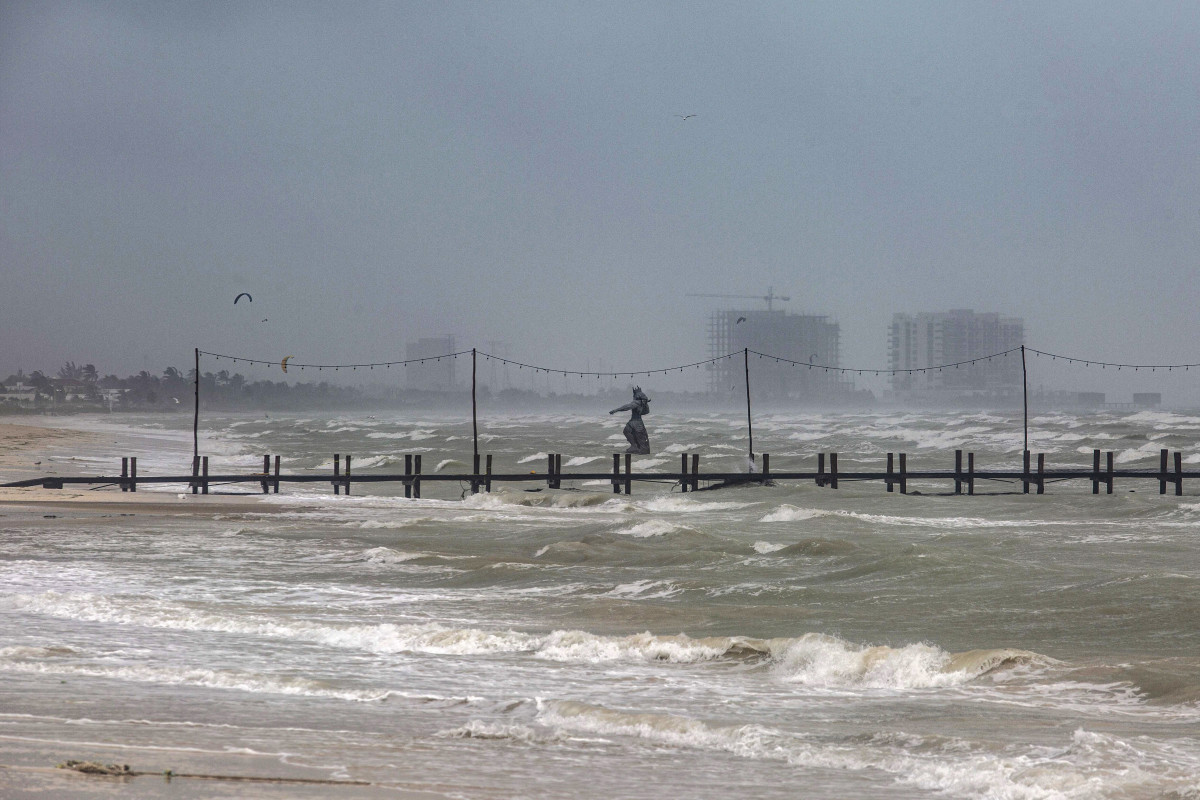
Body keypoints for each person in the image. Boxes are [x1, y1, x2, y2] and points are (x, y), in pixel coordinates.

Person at [609, 386, 651, 454]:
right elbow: (646, 412)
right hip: (635, 421)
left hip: (635, 422)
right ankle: (635, 446)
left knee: (638, 437)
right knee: (627, 431)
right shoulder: (643, 403)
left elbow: (627, 407)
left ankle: (635, 446)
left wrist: (616, 410)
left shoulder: (637, 402)